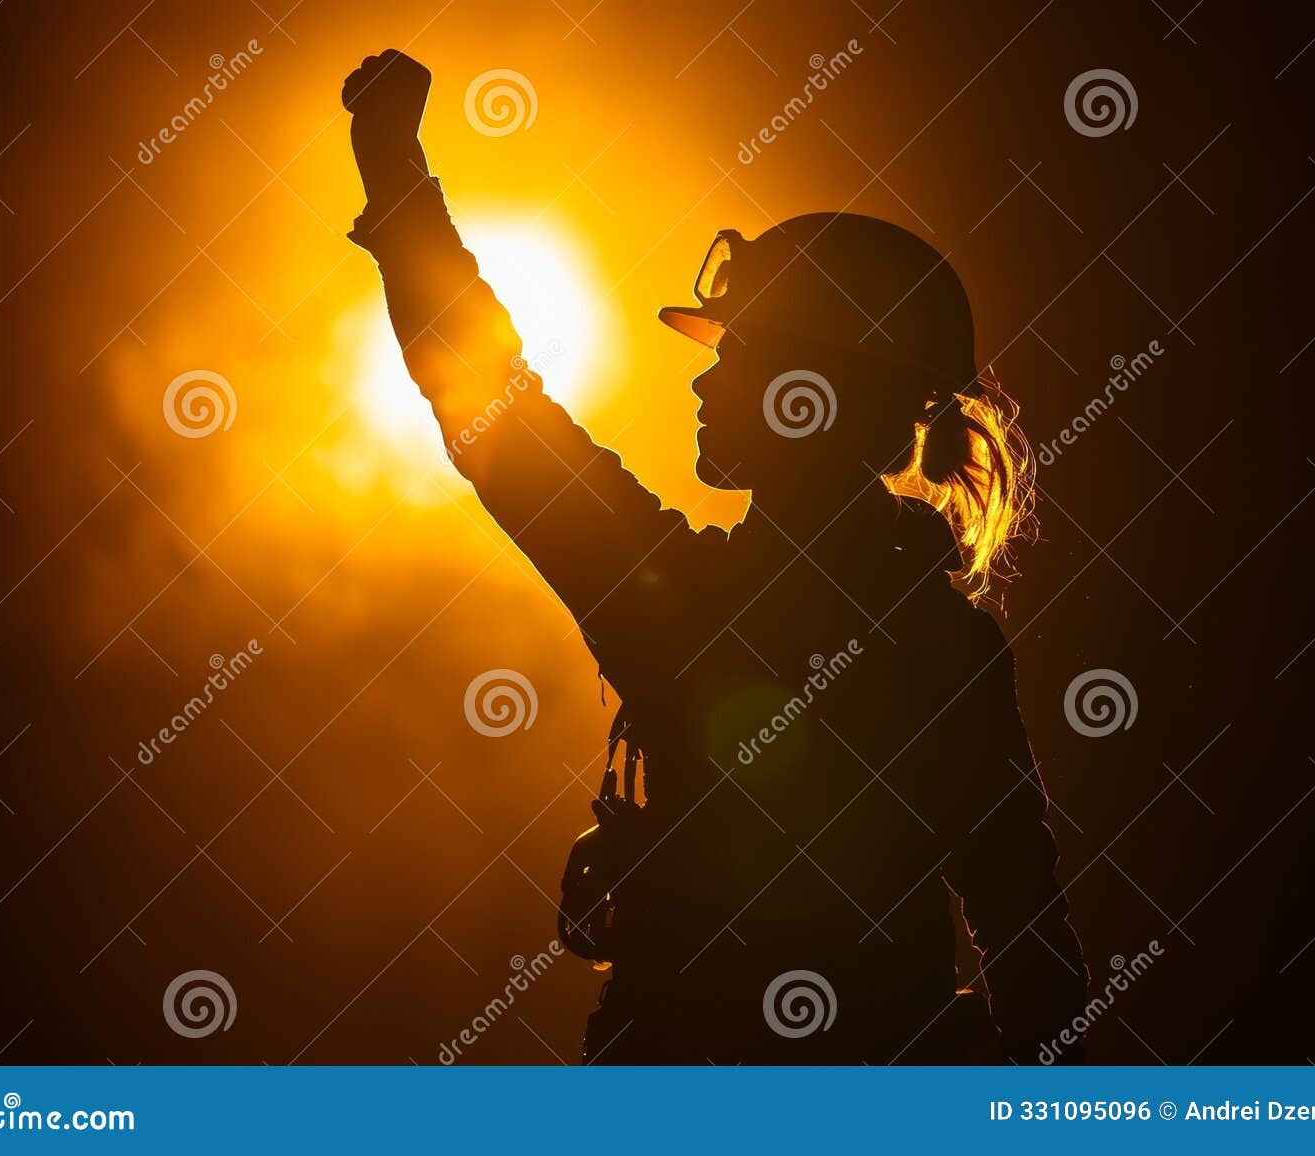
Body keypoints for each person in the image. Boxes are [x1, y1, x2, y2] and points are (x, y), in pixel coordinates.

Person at [343, 50, 1088, 1064]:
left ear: (813, 393)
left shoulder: (682, 605)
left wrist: (395, 182)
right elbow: (1032, 946)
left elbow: (492, 412)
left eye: (736, 357)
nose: (702, 387)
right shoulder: (950, 645)